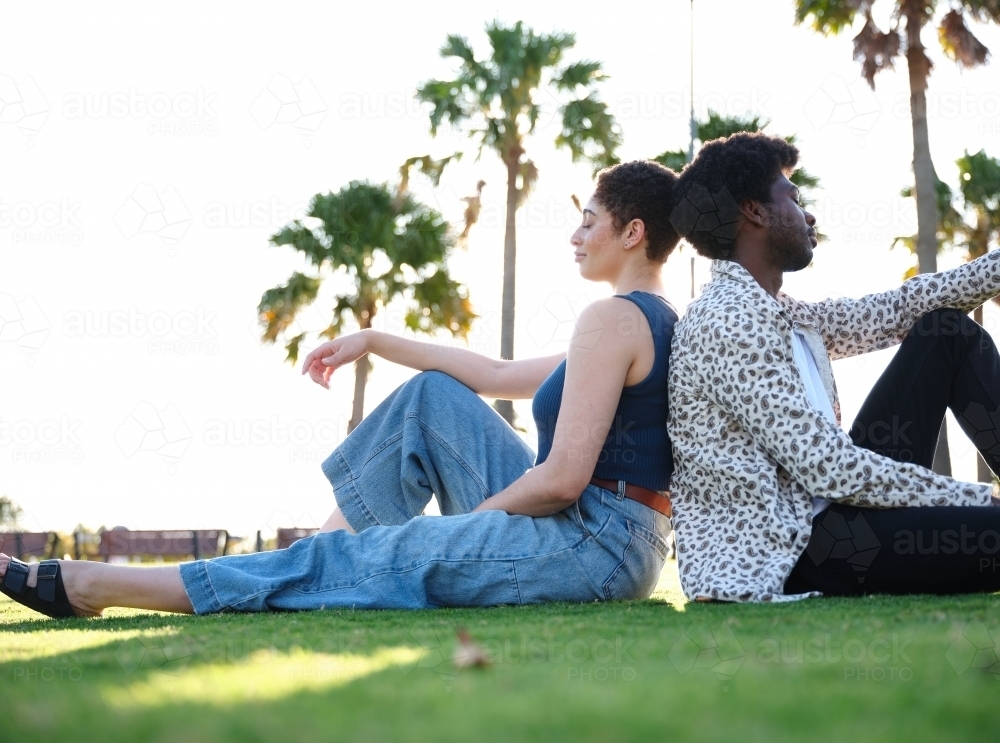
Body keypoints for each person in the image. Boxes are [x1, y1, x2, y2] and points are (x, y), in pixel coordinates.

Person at [0, 160, 678, 618]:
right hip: (608, 537)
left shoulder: (613, 320)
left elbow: (561, 480)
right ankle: (319, 562)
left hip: (594, 545)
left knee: (386, 550)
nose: (576, 233)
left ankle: (90, 585)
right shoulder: (638, 321)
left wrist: (475, 523)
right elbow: (496, 377)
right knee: (432, 398)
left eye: (590, 220)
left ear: (633, 231)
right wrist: (375, 339)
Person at [666, 131, 1000, 603]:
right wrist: (974, 496)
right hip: (793, 550)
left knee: (943, 332)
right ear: (754, 211)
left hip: (831, 513)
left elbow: (899, 309)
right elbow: (828, 469)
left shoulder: (783, 313)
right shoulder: (729, 320)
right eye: (794, 197)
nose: (809, 214)